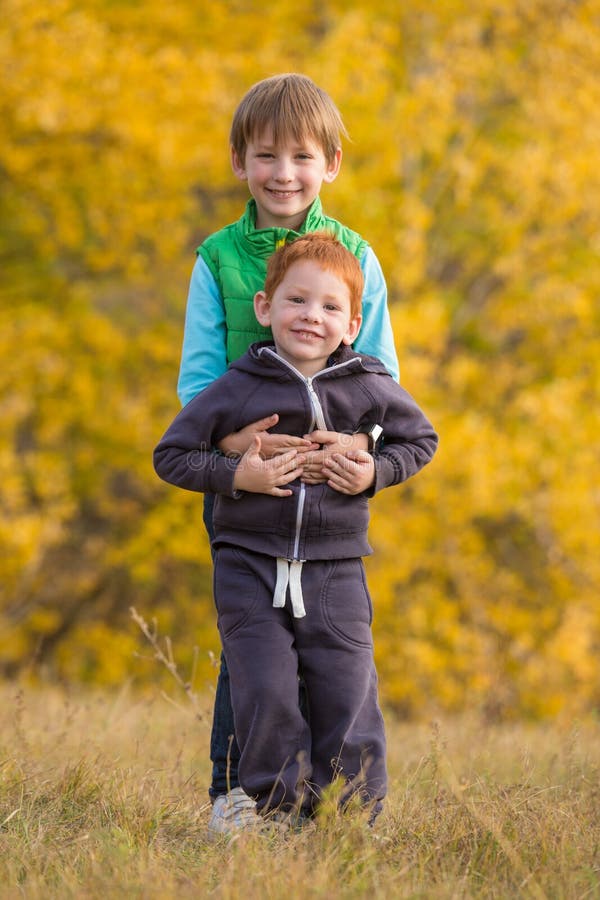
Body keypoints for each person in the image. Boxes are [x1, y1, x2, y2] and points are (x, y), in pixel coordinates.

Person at [176, 72, 400, 834]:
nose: (283, 173)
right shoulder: (217, 260)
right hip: (245, 485)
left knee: (331, 649)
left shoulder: (356, 256)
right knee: (254, 649)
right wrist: (235, 448)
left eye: (302, 157)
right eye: (265, 155)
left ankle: (326, 803)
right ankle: (239, 796)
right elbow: (197, 381)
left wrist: (362, 452)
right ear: (239, 161)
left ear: (331, 164)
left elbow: (384, 383)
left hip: (329, 491)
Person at [155, 233, 438, 831]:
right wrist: (238, 474)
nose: (312, 316)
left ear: (353, 322)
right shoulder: (239, 384)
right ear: (265, 308)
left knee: (347, 689)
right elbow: (173, 455)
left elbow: (421, 440)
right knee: (266, 691)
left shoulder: (367, 384)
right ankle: (274, 812)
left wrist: (373, 471)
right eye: (297, 300)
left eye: (331, 307)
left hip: (335, 567)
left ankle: (353, 820)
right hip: (249, 564)